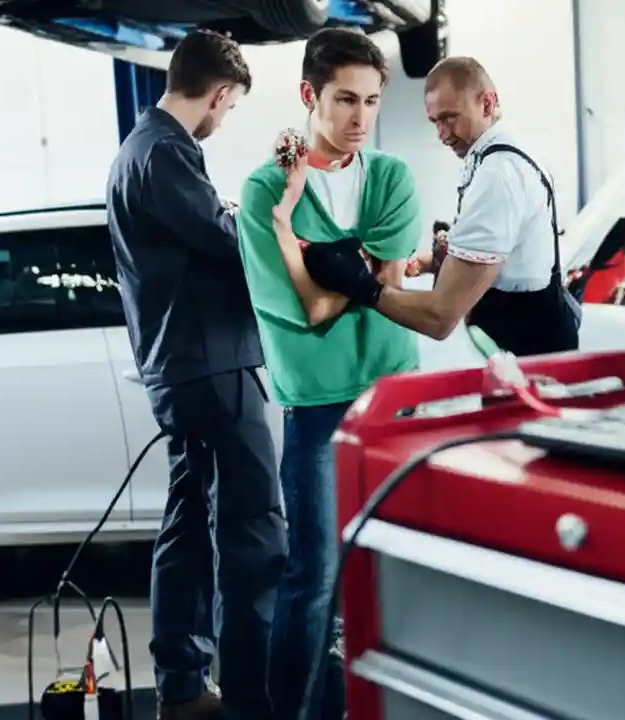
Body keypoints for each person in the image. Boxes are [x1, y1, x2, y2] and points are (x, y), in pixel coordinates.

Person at [235, 27, 421, 720]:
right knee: (313, 572)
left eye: (371, 101)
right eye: (346, 99)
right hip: (315, 402)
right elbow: (304, 311)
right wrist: (358, 269)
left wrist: (327, 264)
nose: (360, 118)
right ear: (309, 94)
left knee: (394, 563)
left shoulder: (392, 178)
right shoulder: (264, 192)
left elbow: (388, 280)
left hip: (393, 395)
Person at [106, 30, 287, 720]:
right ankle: (251, 694)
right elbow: (229, 241)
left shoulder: (137, 149)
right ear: (218, 93)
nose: (224, 118)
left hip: (180, 367)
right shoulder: (167, 152)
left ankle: (181, 684)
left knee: (188, 524)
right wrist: (276, 219)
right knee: (254, 527)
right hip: (211, 366)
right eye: (230, 107)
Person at [301, 56, 581, 357]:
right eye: (435, 121)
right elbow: (510, 258)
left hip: (530, 350)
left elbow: (440, 317)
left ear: (487, 104)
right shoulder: (502, 154)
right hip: (526, 336)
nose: (442, 135)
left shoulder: (497, 174)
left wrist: (360, 283)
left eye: (449, 118)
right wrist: (433, 261)